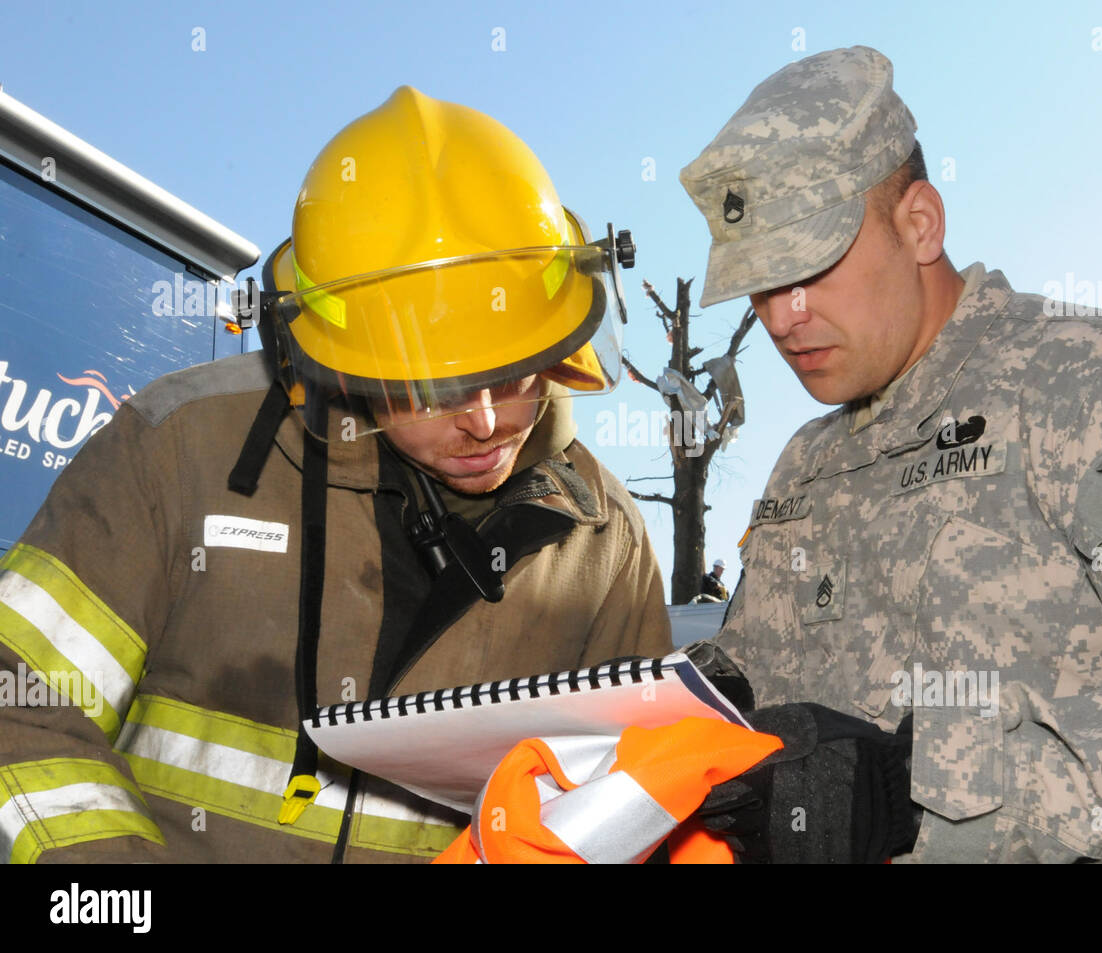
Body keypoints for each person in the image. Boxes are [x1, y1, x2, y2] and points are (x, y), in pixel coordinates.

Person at [0, 86, 672, 864]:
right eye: (435, 386)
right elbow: (24, 714)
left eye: (518, 370)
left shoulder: (605, 542)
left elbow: (621, 813)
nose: (486, 421)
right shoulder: (180, 447)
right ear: (336, 358)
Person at [680, 47, 1102, 862]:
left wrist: (921, 795)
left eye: (807, 269)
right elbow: (766, 679)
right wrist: (698, 699)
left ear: (920, 223)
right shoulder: (807, 460)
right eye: (761, 286)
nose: (783, 317)